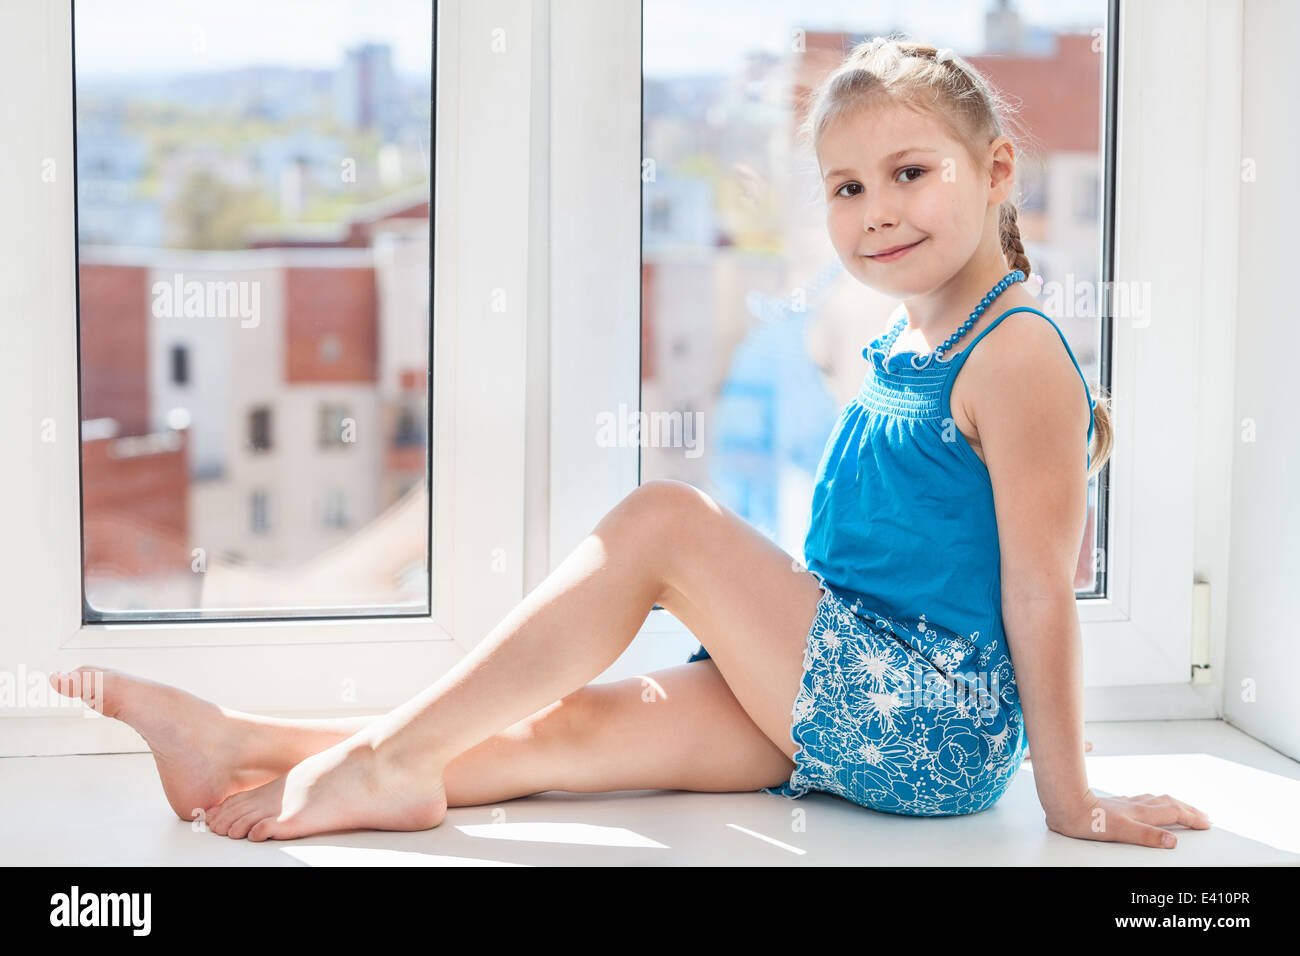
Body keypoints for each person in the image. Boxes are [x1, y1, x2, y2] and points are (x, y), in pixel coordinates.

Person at [50, 35, 1209, 848]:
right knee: (569, 725)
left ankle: (372, 764)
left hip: (925, 724)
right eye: (846, 187)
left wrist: (1070, 797)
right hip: (853, 679)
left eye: (910, 173)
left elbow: (1041, 594)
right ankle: (239, 741)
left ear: (996, 170)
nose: (875, 211)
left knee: (665, 520)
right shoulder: (915, 336)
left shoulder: (1017, 352)